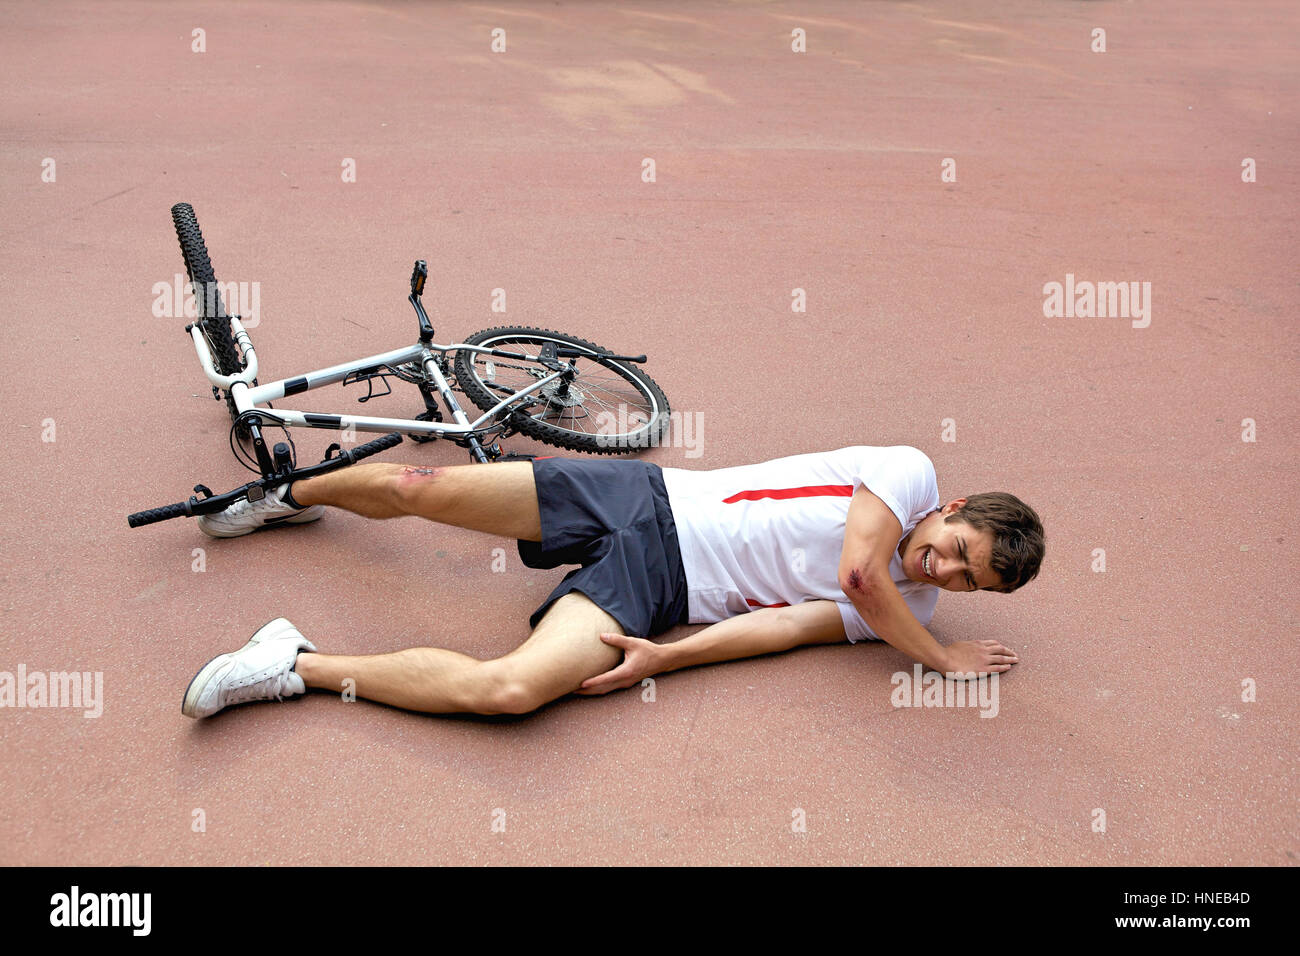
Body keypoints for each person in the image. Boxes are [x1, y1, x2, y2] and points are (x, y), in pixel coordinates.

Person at [181, 446, 1044, 719]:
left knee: (511, 690)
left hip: (657, 588)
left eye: (967, 580)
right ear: (952, 506)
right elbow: (859, 571)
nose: (945, 568)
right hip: (647, 495)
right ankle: (282, 494)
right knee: (422, 491)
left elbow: (785, 629)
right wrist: (939, 657)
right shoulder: (906, 474)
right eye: (957, 545)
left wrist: (665, 661)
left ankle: (291, 661)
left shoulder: (906, 611)